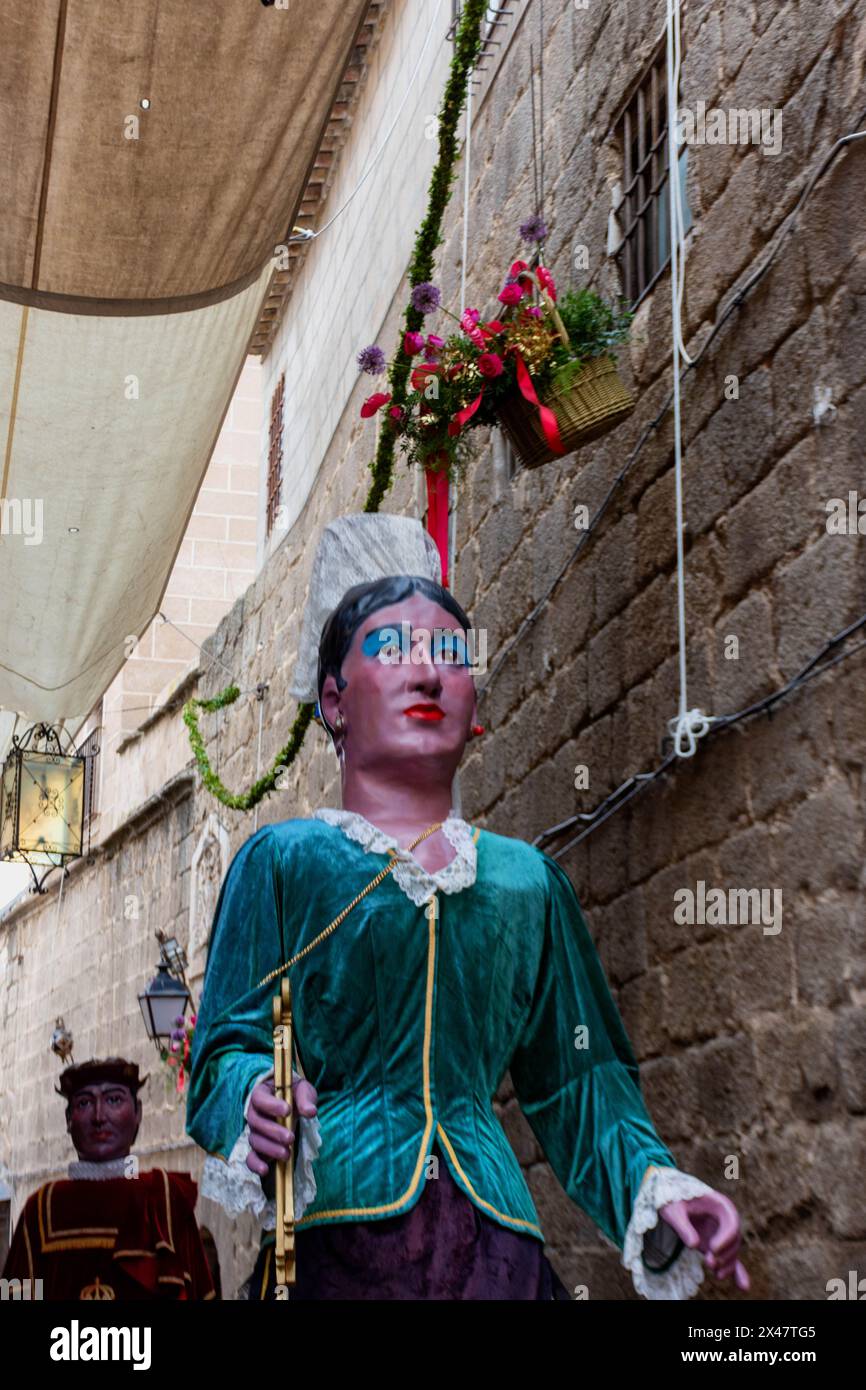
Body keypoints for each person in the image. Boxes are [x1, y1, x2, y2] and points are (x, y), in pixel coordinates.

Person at [187, 512, 748, 1301]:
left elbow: (581, 1080)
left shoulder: (527, 883)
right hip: (337, 1247)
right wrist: (255, 1094)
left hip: (500, 1257)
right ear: (334, 700)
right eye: (392, 649)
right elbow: (223, 1047)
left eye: (450, 654)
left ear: (472, 700)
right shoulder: (283, 863)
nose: (427, 672)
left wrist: (656, 1186)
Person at [3, 1057, 215, 1300]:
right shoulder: (41, 1209)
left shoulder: (165, 1200)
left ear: (138, 1113)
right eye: (84, 1103)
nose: (99, 1116)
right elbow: (14, 1296)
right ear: (68, 1120)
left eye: (114, 1099)